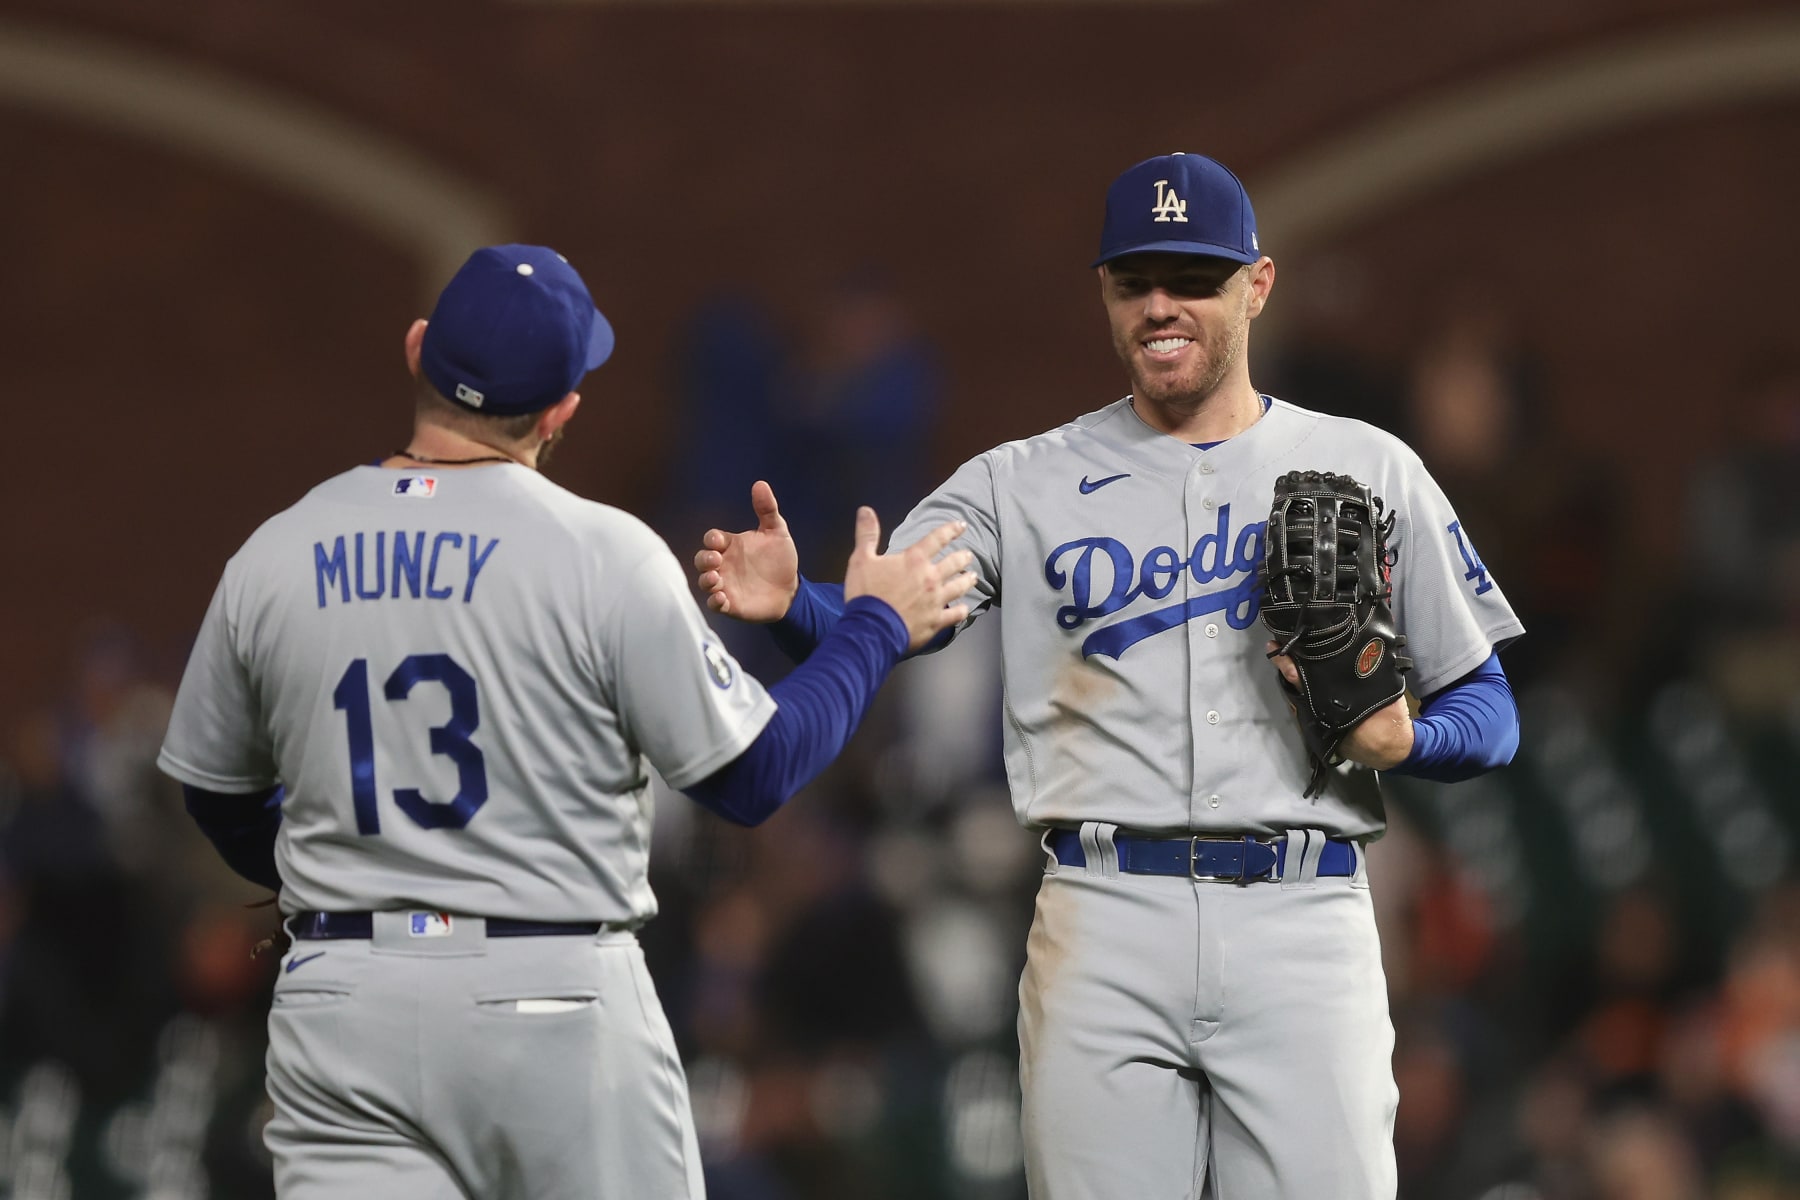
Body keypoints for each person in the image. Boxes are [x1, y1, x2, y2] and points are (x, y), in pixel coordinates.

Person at [693, 155, 1526, 1199]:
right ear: (1105, 294)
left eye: (1193, 277)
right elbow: (895, 615)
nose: (1161, 305)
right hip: (1103, 914)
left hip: (1302, 917)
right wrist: (801, 606)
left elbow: (1490, 712)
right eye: (1136, 282)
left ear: (1257, 285)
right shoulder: (1019, 481)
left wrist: (1410, 742)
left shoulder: (1367, 464)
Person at [156, 244, 974, 1200]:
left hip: (346, 1000)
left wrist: (351, 872)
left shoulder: (278, 550)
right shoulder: (601, 554)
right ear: (561, 411)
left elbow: (214, 792)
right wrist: (875, 625)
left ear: (418, 350)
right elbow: (756, 774)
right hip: (546, 990)